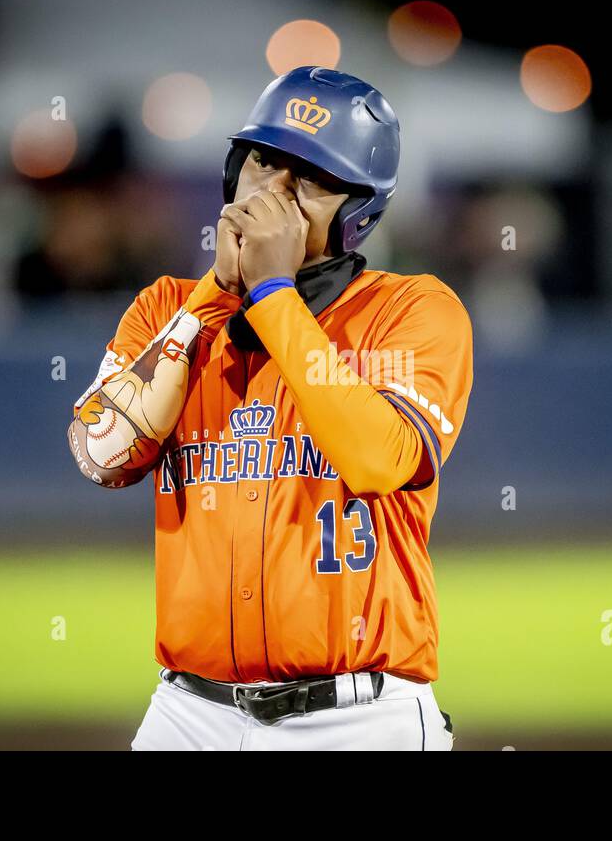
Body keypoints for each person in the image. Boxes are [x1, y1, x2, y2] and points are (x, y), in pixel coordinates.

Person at [67, 66, 472, 750]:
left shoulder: (413, 311)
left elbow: (379, 460)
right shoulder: (169, 309)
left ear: (357, 211)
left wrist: (273, 293)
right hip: (188, 714)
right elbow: (101, 454)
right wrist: (212, 301)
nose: (273, 194)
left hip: (357, 719)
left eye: (310, 179)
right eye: (264, 162)